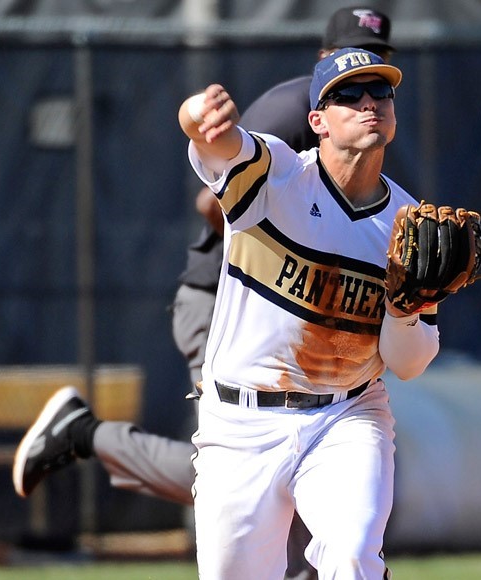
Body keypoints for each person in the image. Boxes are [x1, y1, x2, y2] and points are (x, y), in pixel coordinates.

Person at [13, 8, 396, 579]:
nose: (369, 82)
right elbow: (213, 187)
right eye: (352, 59)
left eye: (381, 58)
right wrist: (277, 232)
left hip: (316, 324)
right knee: (242, 440)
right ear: (322, 61)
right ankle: (87, 434)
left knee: (310, 482)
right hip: (226, 292)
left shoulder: (372, 140)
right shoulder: (293, 110)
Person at [177, 47, 439, 578]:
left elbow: (407, 364)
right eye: (349, 94)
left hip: (347, 415)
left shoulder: (410, 227)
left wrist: (409, 308)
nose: (369, 103)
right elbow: (209, 137)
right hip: (240, 421)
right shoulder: (276, 176)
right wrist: (197, 111)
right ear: (317, 120)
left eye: (380, 92)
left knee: (352, 557)